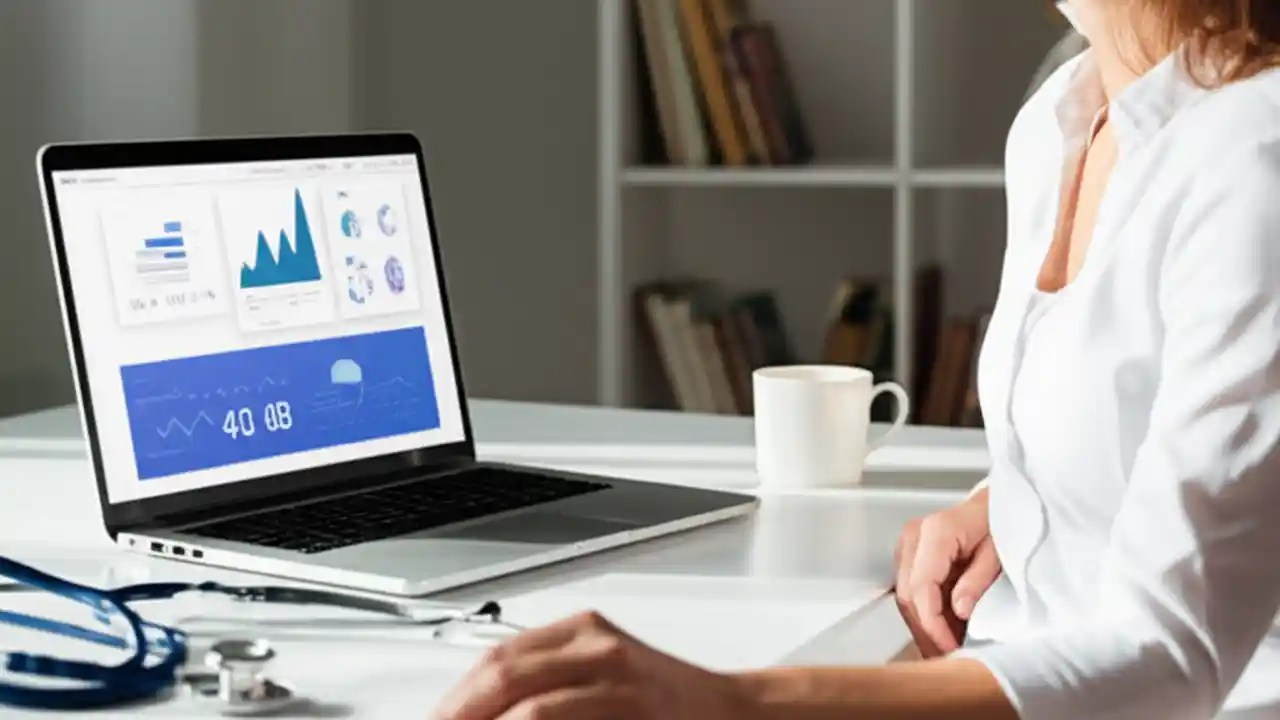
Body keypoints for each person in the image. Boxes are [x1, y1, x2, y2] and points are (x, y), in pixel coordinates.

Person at [431, 0, 1280, 717]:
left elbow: (1173, 652)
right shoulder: (1063, 113)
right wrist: (1018, 498)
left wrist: (735, 702)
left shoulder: (1255, 149)